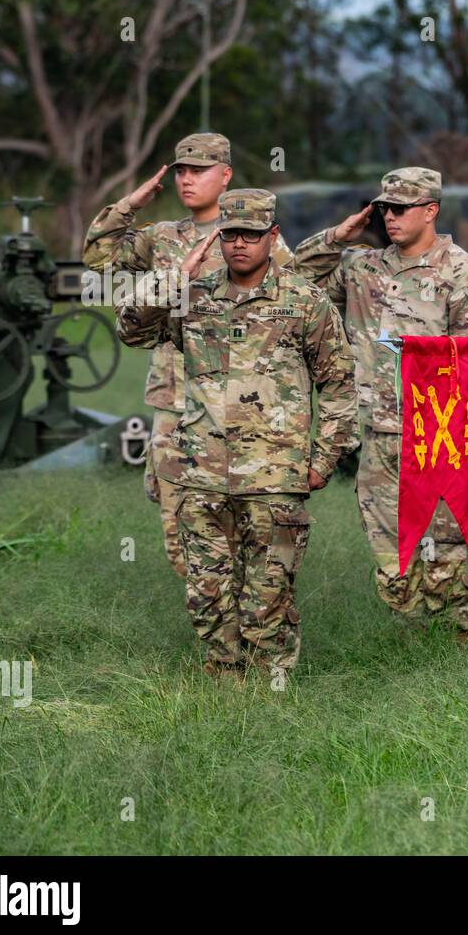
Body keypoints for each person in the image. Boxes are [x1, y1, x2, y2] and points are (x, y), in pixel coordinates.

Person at [115, 189, 358, 681]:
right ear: (218, 238)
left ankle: (270, 692)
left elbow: (339, 383)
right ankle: (225, 684)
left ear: (272, 236)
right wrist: (172, 279)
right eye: (229, 235)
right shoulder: (193, 298)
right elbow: (130, 330)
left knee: (268, 594)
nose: (239, 245)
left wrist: (323, 459)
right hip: (201, 473)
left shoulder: (304, 300)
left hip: (275, 475)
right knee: (206, 593)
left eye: (251, 235)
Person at [292, 167, 468, 641]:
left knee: (446, 547)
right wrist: (335, 236)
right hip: (378, 434)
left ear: (430, 210)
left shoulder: (464, 273)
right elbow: (292, 279)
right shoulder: (359, 267)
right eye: (384, 208)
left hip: (439, 436)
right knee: (390, 550)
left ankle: (454, 642)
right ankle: (410, 642)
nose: (389, 217)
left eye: (401, 208)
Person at [84, 133, 291, 577]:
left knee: (245, 514)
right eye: (181, 170)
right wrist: (130, 205)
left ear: (226, 174)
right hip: (174, 396)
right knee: (175, 515)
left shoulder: (250, 235)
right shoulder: (162, 236)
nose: (187, 179)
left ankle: (249, 620)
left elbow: (289, 302)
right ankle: (208, 615)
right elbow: (99, 260)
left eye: (199, 170)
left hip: (239, 400)